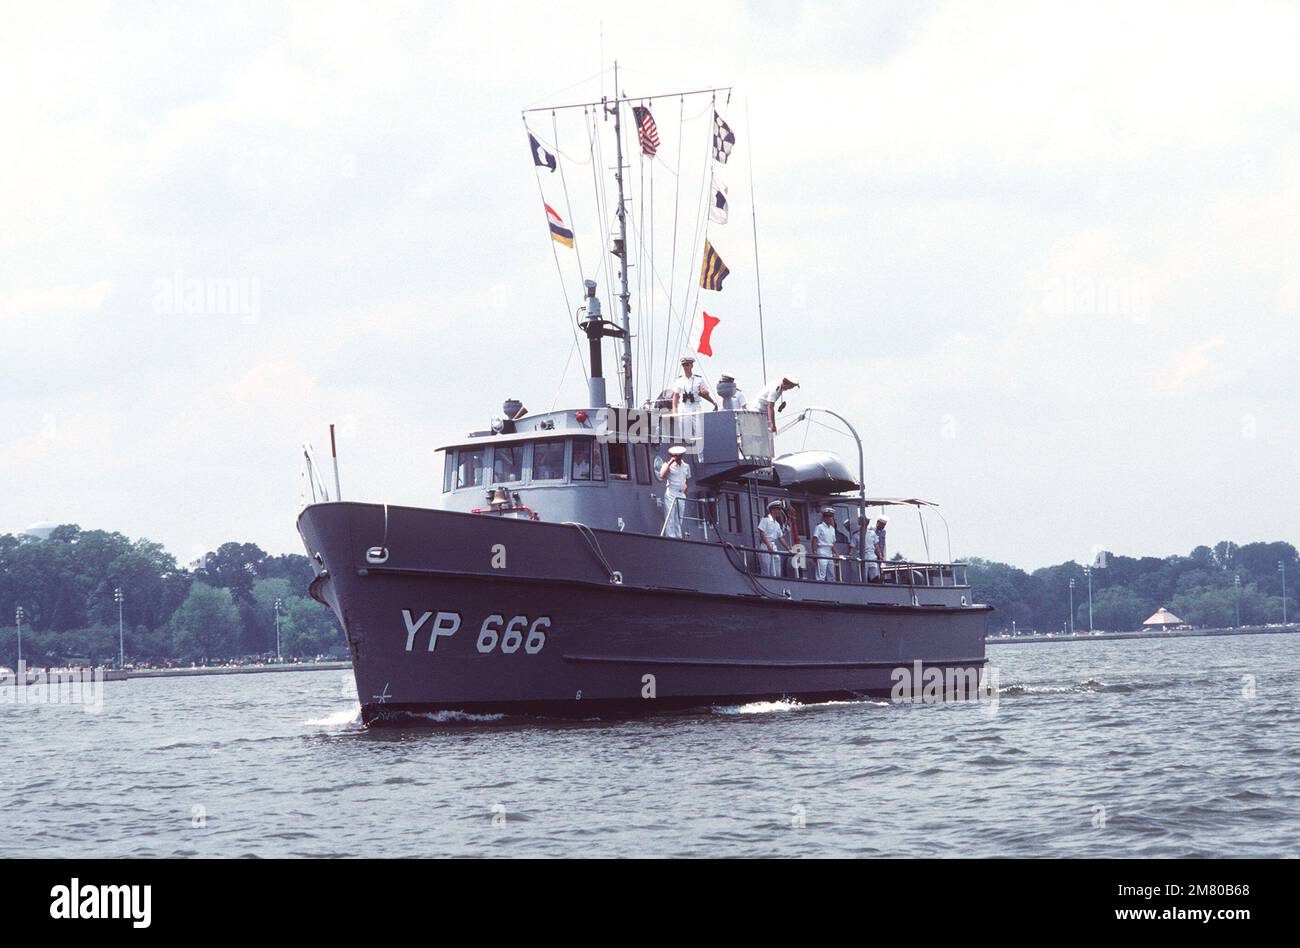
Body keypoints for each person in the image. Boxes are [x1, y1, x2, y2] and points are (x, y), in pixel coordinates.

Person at [672, 355, 717, 446]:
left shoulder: (698, 379)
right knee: (683, 433)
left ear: (691, 365)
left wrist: (712, 401)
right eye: (684, 365)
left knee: (699, 432)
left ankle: (700, 457)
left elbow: (705, 393)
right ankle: (685, 455)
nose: (685, 367)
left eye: (687, 365)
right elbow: (675, 397)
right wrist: (674, 410)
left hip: (695, 406)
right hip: (683, 407)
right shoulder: (679, 381)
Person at [658, 445, 692, 538]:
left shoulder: (686, 466)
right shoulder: (667, 465)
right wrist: (669, 463)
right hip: (671, 492)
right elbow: (661, 475)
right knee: (670, 515)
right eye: (675, 455)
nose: (677, 457)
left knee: (679, 516)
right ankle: (670, 536)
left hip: (681, 493)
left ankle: (678, 535)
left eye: (679, 455)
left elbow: (687, 480)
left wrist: (685, 492)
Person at [756, 499, 790, 577]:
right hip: (765, 546)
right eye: (778, 509)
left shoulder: (777, 524)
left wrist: (788, 548)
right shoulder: (765, 519)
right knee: (766, 569)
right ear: (772, 510)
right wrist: (768, 544)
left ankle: (776, 582)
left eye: (779, 509)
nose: (779, 511)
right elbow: (762, 532)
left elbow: (781, 538)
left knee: (777, 563)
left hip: (773, 545)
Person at [850, 515, 880, 582]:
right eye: (866, 521)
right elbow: (852, 548)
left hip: (872, 556)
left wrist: (880, 555)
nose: (867, 523)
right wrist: (850, 556)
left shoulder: (872, 533)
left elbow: (876, 546)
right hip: (863, 556)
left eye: (867, 521)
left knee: (875, 577)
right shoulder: (856, 535)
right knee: (864, 577)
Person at [813, 507, 839, 582]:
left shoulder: (832, 529)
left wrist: (837, 554)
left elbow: (832, 543)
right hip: (821, 551)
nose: (829, 518)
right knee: (821, 575)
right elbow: (814, 539)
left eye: (831, 516)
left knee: (831, 575)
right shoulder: (819, 527)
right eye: (827, 516)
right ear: (824, 517)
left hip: (829, 552)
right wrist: (814, 553)